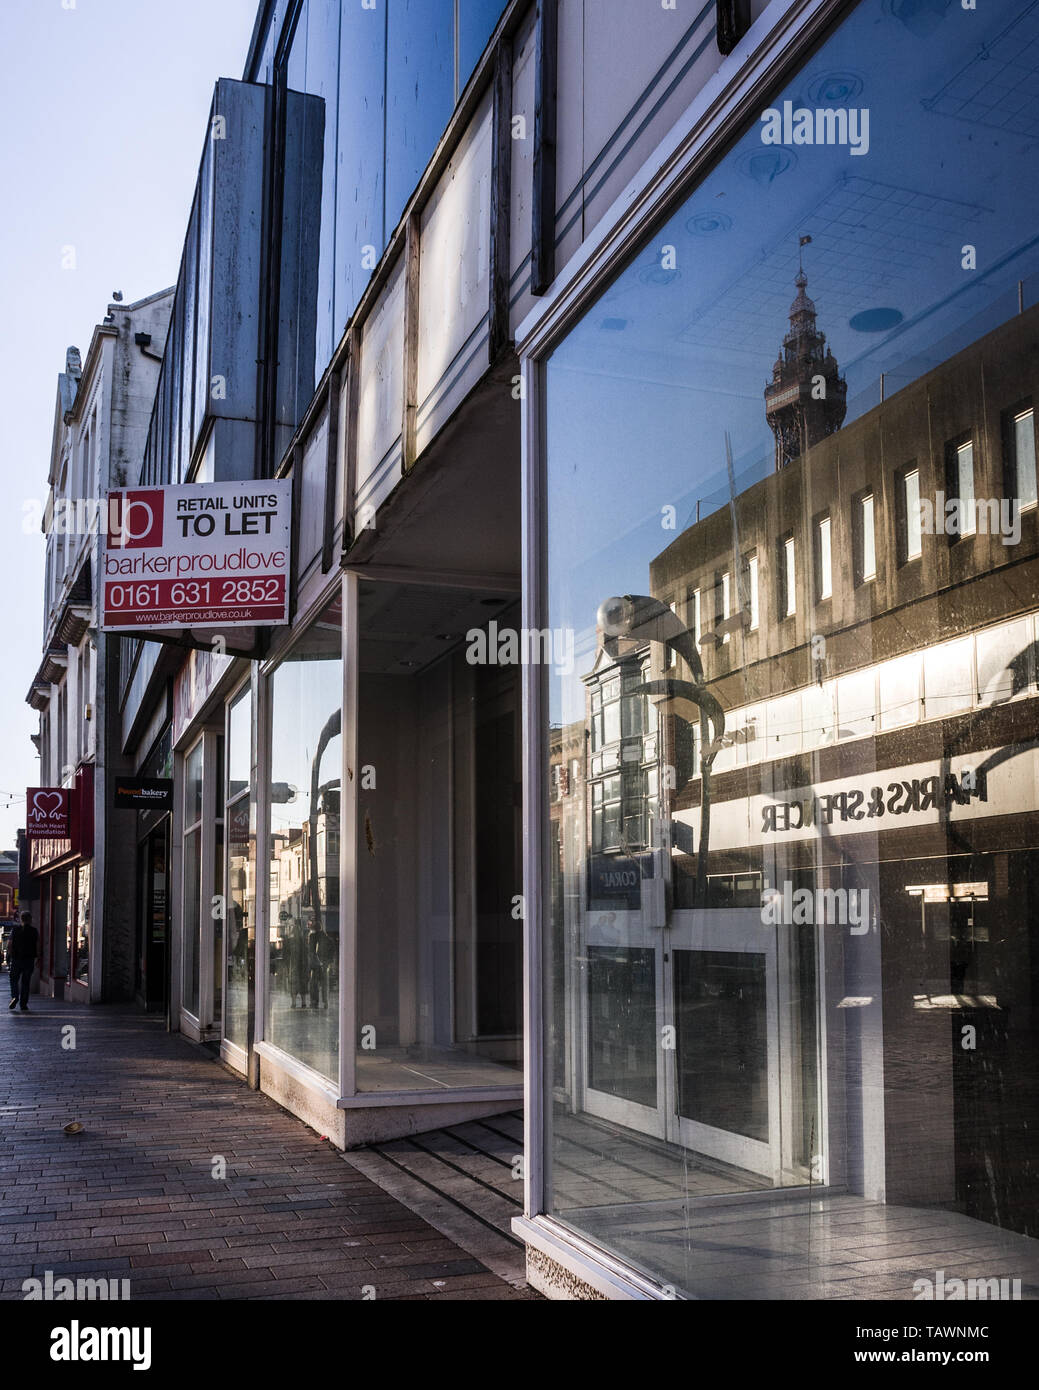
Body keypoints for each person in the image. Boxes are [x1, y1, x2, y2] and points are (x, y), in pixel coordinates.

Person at [8, 911, 38, 1013]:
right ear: (30, 919)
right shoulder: (34, 931)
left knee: (13, 979)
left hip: (17, 959)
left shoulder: (15, 930)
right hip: (29, 960)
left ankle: (15, 996)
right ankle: (23, 1004)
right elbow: (38, 945)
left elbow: (10, 945)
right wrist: (38, 957)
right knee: (26, 982)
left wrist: (11, 956)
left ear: (21, 919)